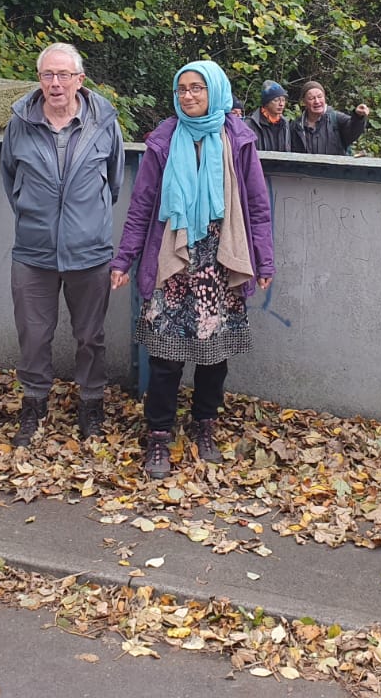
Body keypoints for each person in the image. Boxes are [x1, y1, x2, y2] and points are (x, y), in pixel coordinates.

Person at [110, 60, 273, 479]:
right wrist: (123, 259)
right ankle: (160, 436)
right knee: (164, 357)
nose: (188, 96)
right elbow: (142, 205)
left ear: (215, 91)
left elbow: (257, 205)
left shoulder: (239, 139)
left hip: (220, 264)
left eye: (197, 88)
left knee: (213, 357)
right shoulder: (164, 140)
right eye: (181, 89)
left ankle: (205, 426)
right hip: (173, 263)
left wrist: (263, 259)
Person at [1, 43, 124, 445]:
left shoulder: (104, 122)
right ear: (39, 80)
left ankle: (91, 403)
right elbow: (10, 178)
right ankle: (33, 403)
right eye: (47, 75)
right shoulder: (19, 121)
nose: (55, 83)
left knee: (90, 335)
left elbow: (115, 181)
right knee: (34, 335)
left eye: (63, 75)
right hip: (34, 251)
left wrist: (85, 222)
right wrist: (38, 218)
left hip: (89, 251)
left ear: (79, 80)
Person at [292, 81, 369, 155]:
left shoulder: (336, 119)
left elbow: (353, 130)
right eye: (311, 98)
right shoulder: (296, 126)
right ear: (303, 102)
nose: (317, 101)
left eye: (320, 96)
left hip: (334, 168)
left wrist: (358, 116)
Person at [244, 79, 296, 153]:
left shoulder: (285, 124)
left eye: (283, 100)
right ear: (266, 103)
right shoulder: (250, 124)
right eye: (276, 100)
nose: (281, 104)